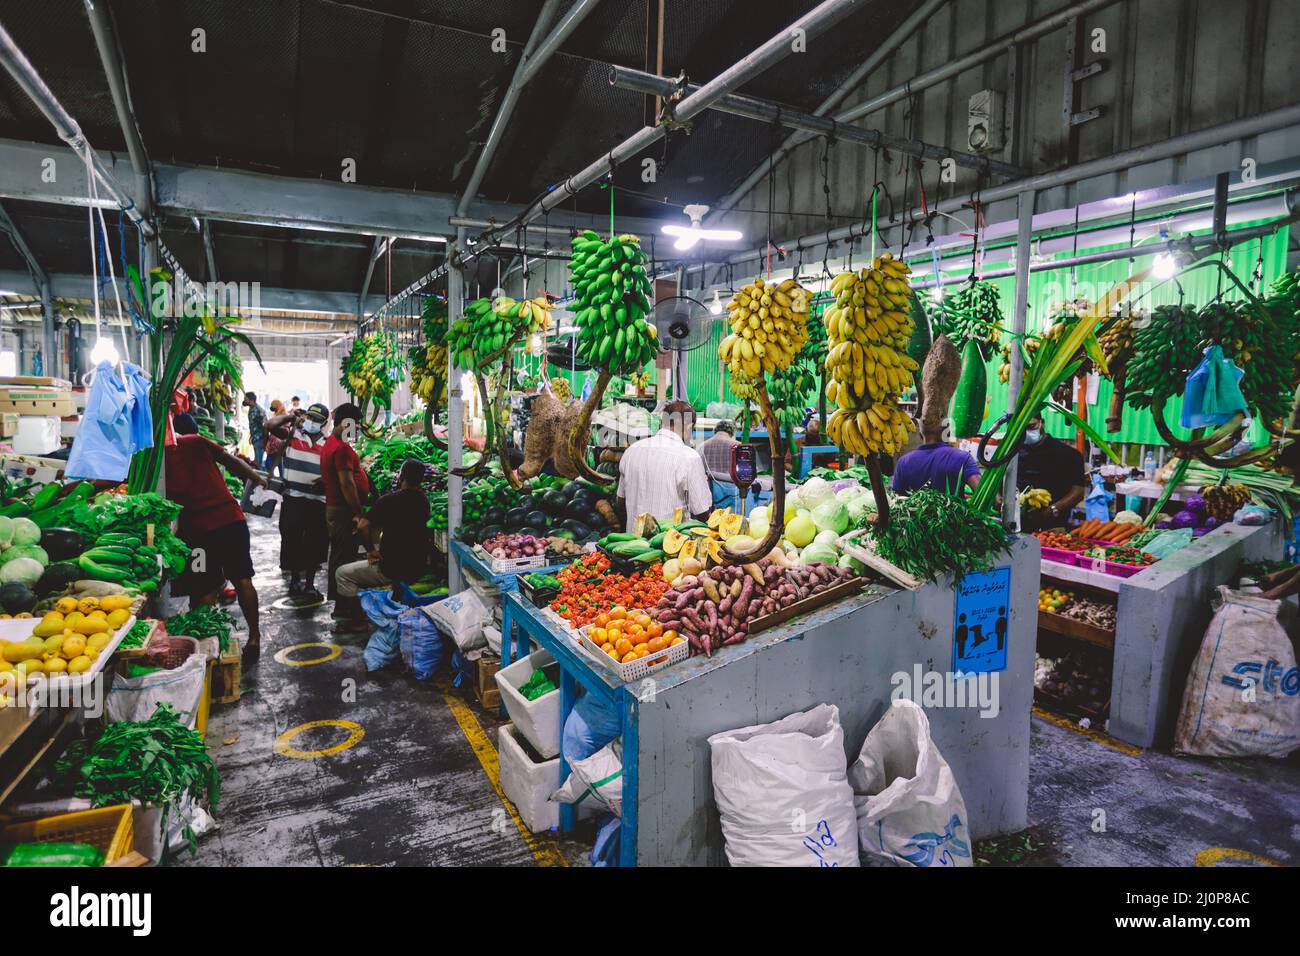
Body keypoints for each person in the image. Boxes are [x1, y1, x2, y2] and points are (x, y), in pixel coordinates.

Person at [166, 413, 266, 665]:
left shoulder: (157, 457)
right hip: (231, 521)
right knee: (243, 580)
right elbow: (232, 462)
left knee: (205, 588)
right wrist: (257, 479)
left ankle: (211, 650)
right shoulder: (197, 442)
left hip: (200, 532)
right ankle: (254, 636)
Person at [335, 459, 431, 600]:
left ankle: (357, 613)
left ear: (401, 476)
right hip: (417, 567)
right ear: (421, 479)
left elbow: (362, 527)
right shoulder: (424, 501)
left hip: (390, 570)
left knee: (342, 573)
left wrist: (371, 551)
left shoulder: (388, 500)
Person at [269, 402, 331, 604]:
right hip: (293, 498)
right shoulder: (293, 434)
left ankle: (310, 584)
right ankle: (295, 579)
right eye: (309, 417)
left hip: (317, 502)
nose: (311, 422)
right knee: (292, 540)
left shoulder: (328, 443)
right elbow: (269, 425)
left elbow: (334, 470)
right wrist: (290, 418)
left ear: (324, 423)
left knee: (314, 543)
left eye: (316, 420)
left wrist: (326, 481)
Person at [617, 401, 711, 532]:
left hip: (632, 544)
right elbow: (702, 511)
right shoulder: (689, 457)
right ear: (689, 426)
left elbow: (620, 502)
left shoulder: (632, 450)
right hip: (668, 546)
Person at [320, 401, 371, 632]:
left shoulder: (331, 443)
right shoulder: (340, 448)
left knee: (340, 557)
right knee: (343, 560)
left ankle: (343, 608)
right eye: (354, 425)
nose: (356, 429)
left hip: (335, 509)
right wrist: (358, 511)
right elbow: (347, 484)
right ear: (344, 423)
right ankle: (346, 614)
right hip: (343, 510)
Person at [1017, 414, 1087, 531]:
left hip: (1053, 527)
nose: (1026, 432)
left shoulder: (1068, 454)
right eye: (1022, 429)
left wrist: (1052, 510)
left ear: (1042, 423)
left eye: (1031, 426)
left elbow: (1078, 492)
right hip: (1016, 523)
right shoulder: (1013, 453)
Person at [892, 421, 981, 496]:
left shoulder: (903, 462)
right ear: (947, 432)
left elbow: (897, 500)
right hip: (954, 516)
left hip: (913, 516)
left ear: (920, 434)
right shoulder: (963, 458)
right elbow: (982, 493)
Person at [697, 421, 741, 509]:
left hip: (709, 495)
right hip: (733, 495)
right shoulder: (738, 446)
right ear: (732, 432)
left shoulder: (701, 446)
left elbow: (697, 473)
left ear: (715, 431)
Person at [243, 391, 267, 468]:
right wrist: (251, 436)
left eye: (246, 399)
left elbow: (265, 427)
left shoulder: (260, 411)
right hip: (255, 438)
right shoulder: (251, 408)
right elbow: (253, 425)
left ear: (252, 400)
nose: (244, 401)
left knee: (258, 463)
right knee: (256, 461)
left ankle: (260, 478)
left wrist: (265, 442)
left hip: (260, 439)